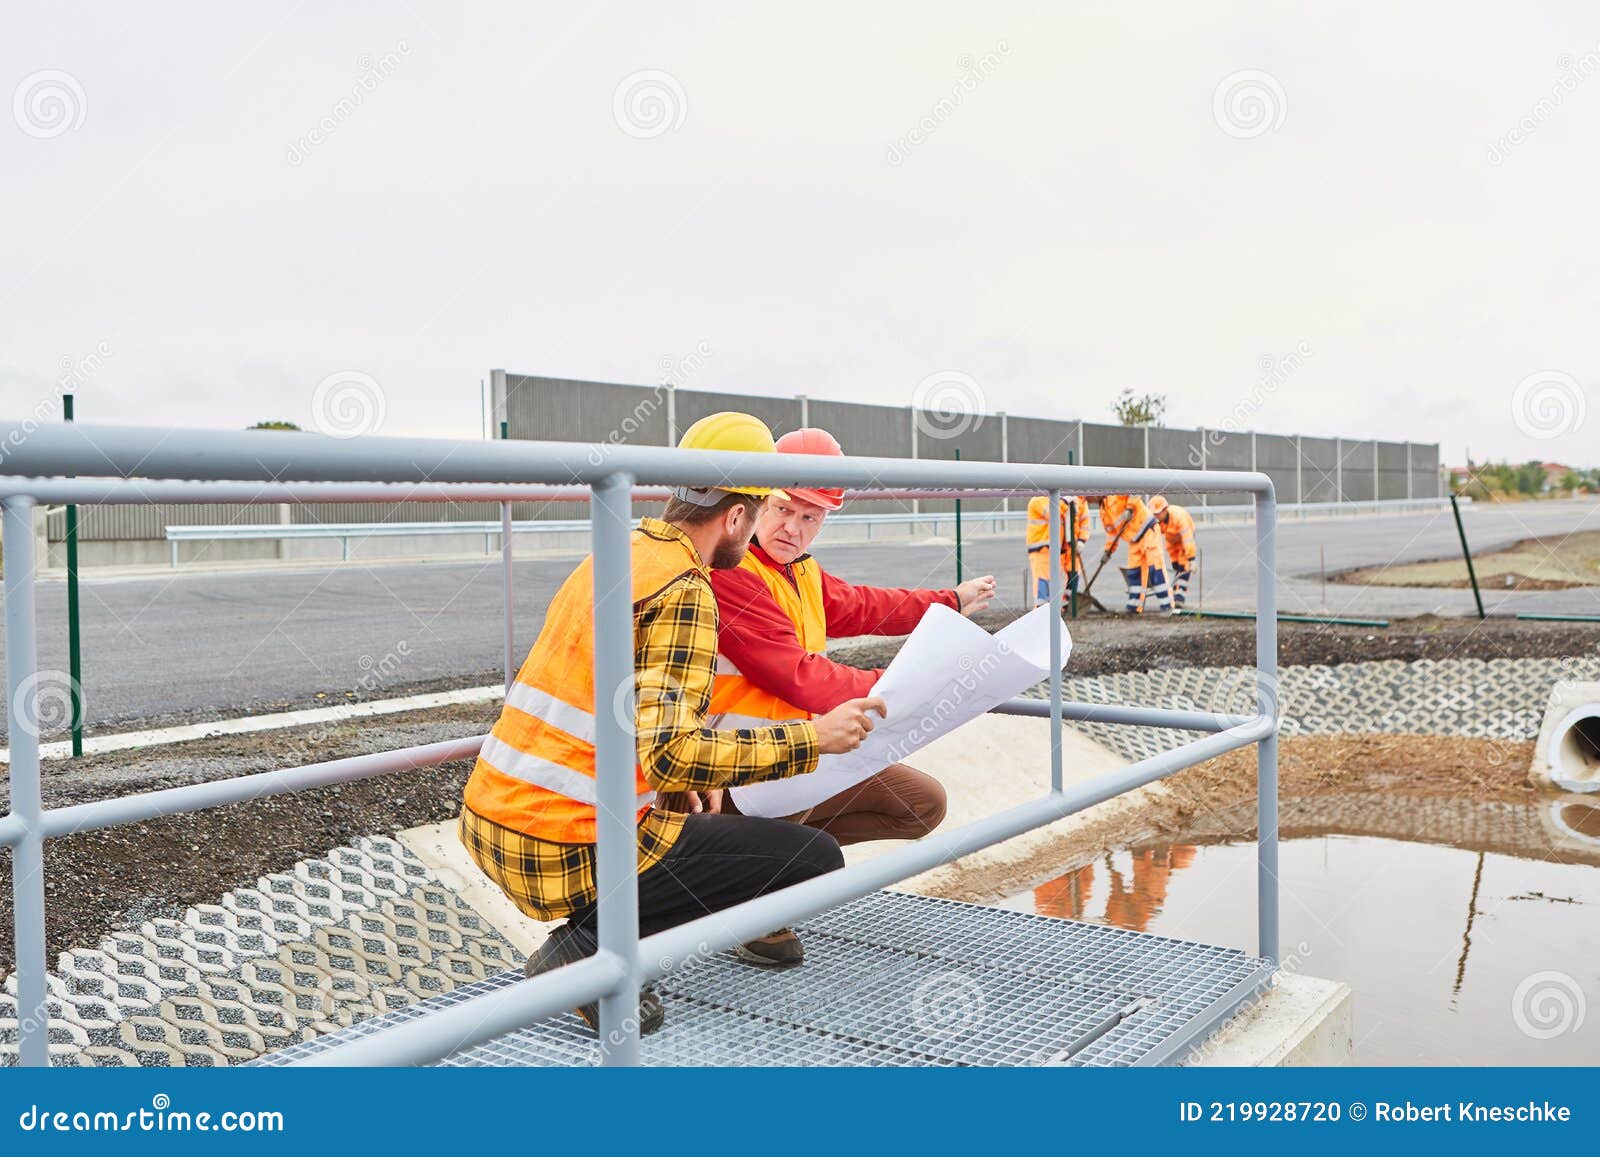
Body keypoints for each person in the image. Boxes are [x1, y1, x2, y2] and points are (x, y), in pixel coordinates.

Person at [457, 411, 887, 1037]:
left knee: (692, 813)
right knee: (813, 859)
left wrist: (674, 781)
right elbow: (672, 754)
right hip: (564, 838)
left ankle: (601, 939)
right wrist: (813, 739)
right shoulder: (687, 588)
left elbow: (626, 715)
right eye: (766, 506)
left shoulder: (619, 554)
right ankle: (585, 951)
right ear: (737, 516)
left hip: (496, 814)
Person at [701, 430, 996, 951]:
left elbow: (864, 604)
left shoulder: (799, 571)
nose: (792, 528)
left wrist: (949, 599)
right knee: (795, 802)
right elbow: (800, 675)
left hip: (800, 745)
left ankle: (760, 874)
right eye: (782, 509)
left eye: (810, 517)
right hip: (737, 765)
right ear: (754, 503)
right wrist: (912, 686)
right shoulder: (732, 572)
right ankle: (751, 892)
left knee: (921, 806)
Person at [1098, 494, 1170, 613]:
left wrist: (1130, 507)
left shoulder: (1114, 494)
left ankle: (1166, 605)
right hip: (1133, 540)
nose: (1086, 499)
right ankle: (1134, 606)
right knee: (1134, 573)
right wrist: (1108, 551)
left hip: (1148, 531)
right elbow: (1112, 534)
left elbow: (1134, 491)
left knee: (1155, 569)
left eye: (1087, 495)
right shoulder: (1103, 511)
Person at [1025, 494, 1092, 606]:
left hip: (1060, 548)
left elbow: (1083, 522)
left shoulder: (1076, 500)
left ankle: (1063, 607)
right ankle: (1041, 612)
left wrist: (1081, 540)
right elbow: (1053, 513)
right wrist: (1065, 502)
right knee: (1043, 582)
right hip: (1041, 549)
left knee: (1064, 579)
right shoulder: (1037, 500)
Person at [1148, 496, 1197, 612]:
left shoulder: (1180, 519)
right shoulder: (1157, 521)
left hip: (1184, 538)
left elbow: (1188, 540)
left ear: (1165, 510)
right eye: (1153, 514)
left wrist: (1192, 559)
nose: (1155, 517)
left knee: (1184, 567)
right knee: (1176, 566)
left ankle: (1179, 598)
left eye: (1157, 514)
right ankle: (1174, 594)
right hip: (1172, 540)